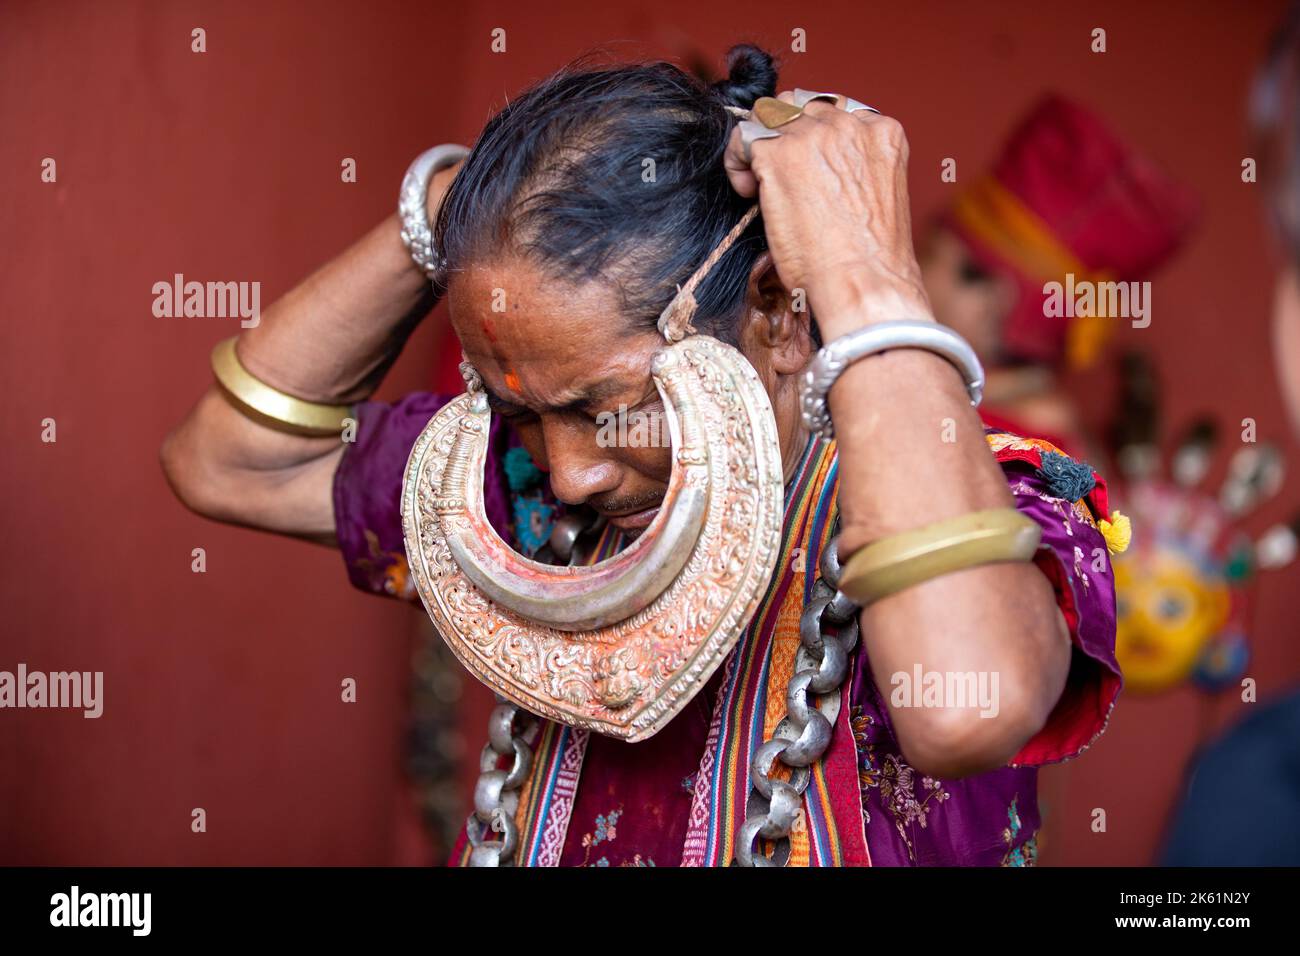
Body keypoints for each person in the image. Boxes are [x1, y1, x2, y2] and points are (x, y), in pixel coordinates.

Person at [162, 45, 1123, 866]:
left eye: (609, 406)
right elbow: (227, 461)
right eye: (521, 413)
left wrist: (859, 269)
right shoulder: (531, 491)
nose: (570, 468)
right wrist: (464, 206)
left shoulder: (1008, 499)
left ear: (776, 314)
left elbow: (967, 709)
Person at [918, 94, 1197, 456]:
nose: (914, 269)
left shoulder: (1014, 447)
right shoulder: (980, 414)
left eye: (929, 254)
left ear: (991, 300)